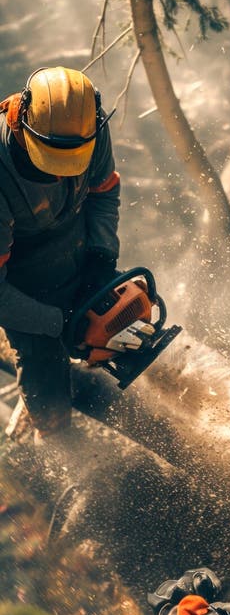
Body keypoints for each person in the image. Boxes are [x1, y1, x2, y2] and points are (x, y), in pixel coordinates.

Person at [0, 66, 120, 439]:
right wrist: (57, 322)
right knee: (43, 369)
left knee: (125, 324)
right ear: (25, 124)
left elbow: (104, 194)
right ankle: (58, 451)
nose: (61, 174)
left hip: (81, 252)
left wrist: (103, 258)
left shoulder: (88, 125)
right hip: (21, 286)